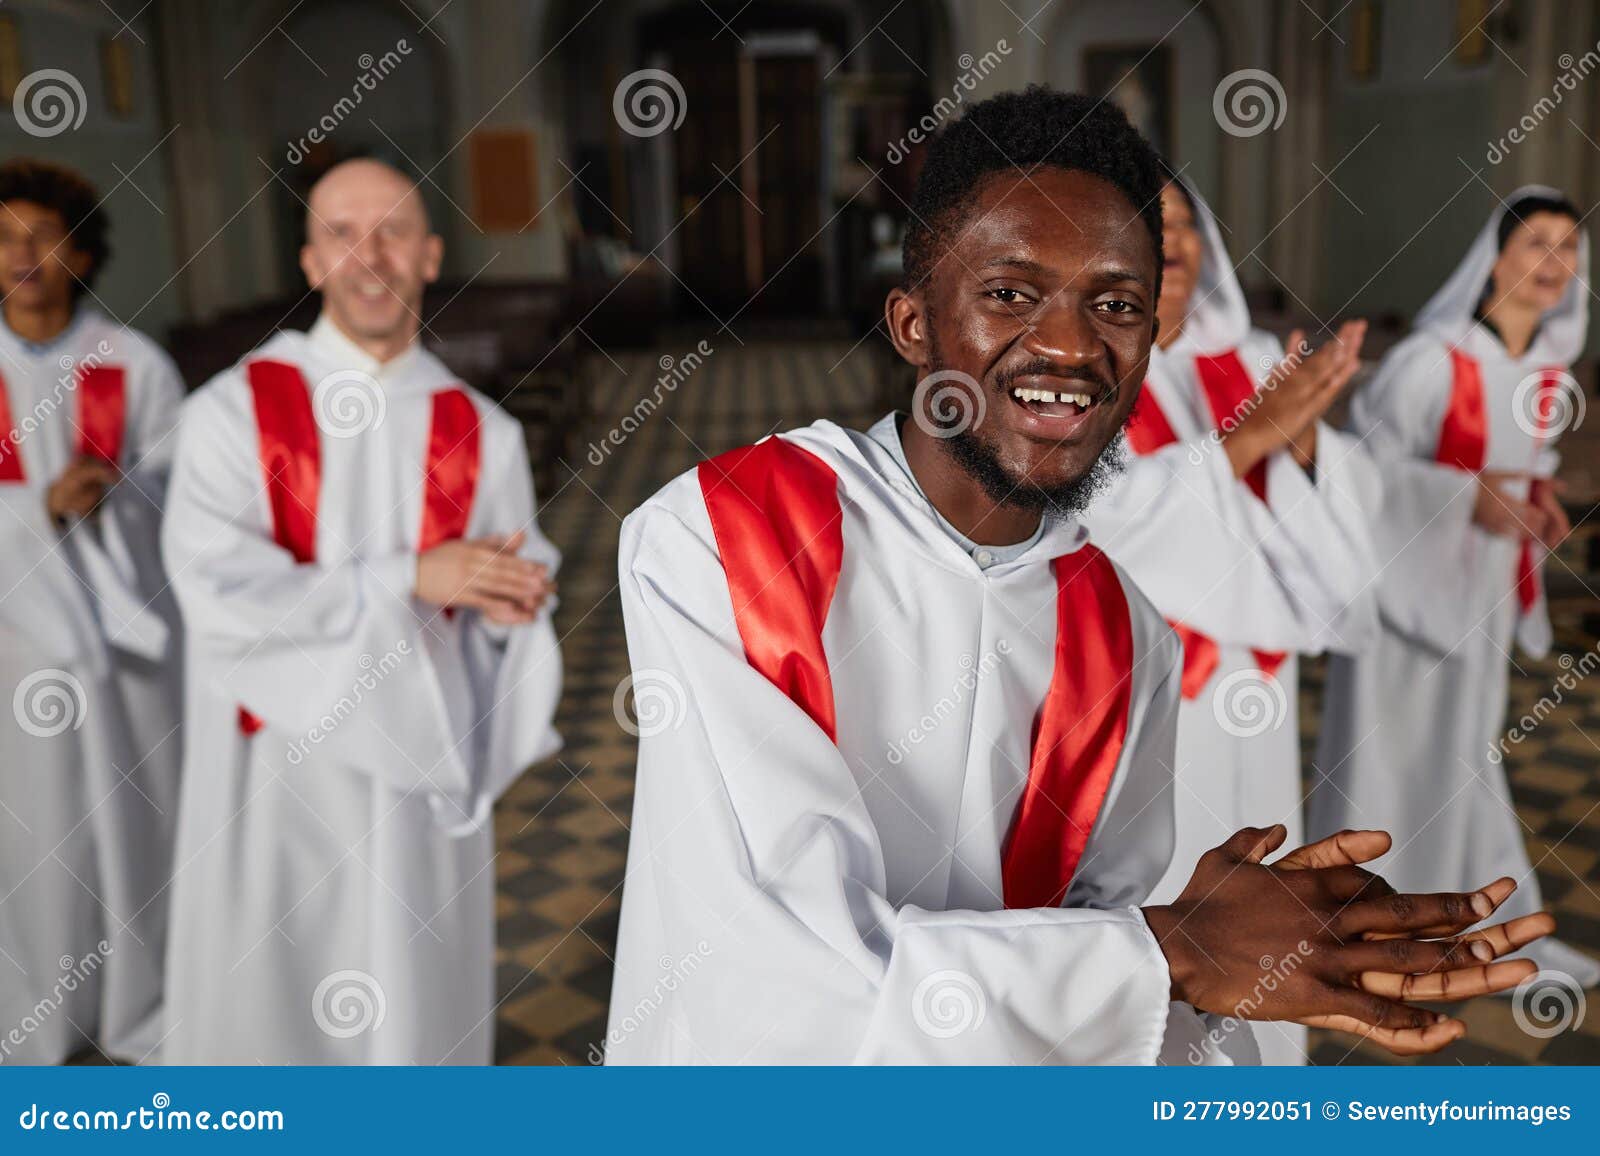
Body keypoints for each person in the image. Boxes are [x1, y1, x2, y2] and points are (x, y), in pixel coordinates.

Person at [606, 89, 1550, 1066]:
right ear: (912, 324)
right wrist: (1172, 948)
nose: (1067, 344)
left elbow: (1105, 965)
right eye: (1010, 293)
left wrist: (1231, 978)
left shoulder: (1121, 624)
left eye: (1115, 303)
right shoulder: (725, 538)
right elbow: (781, 970)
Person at [159, 159, 563, 1063]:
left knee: (410, 1000)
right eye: (343, 232)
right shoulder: (230, 412)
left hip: (416, 769)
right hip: (273, 772)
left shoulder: (481, 431)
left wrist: (513, 610)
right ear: (309, 263)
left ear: (429, 255)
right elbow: (215, 586)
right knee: (271, 1004)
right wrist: (406, 577)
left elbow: (505, 588)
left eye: (391, 232)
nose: (367, 254)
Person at [1079, 172, 1381, 1064]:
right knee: (1174, 881)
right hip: (1156, 680)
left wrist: (1306, 439)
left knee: (1265, 857)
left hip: (1255, 676)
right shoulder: (1085, 358)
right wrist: (1248, 440)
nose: (1172, 243)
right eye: (1150, 225)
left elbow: (1316, 487)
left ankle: (1267, 1069)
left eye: (1186, 226)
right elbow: (1108, 514)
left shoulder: (1244, 360)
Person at [1310, 186, 1600, 989]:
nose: (1554, 263)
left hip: (1481, 598)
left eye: (1568, 247)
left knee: (1462, 753)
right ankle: (1361, 923)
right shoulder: (1431, 360)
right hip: (1406, 598)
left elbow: (1522, 476)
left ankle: (1445, 917)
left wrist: (1535, 512)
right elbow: (1359, 474)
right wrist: (1464, 497)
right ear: (1495, 257)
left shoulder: (1546, 370)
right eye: (1536, 243)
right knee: (1386, 753)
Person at [0, 159, 184, 1064]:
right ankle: (34, 1004)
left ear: (84, 250)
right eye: (5, 237)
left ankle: (133, 999)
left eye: (46, 235)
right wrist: (36, 511)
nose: (24, 254)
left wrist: (117, 495)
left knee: (127, 817)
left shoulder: (132, 365)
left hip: (120, 651)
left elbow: (188, 497)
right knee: (28, 828)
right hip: (13, 652)